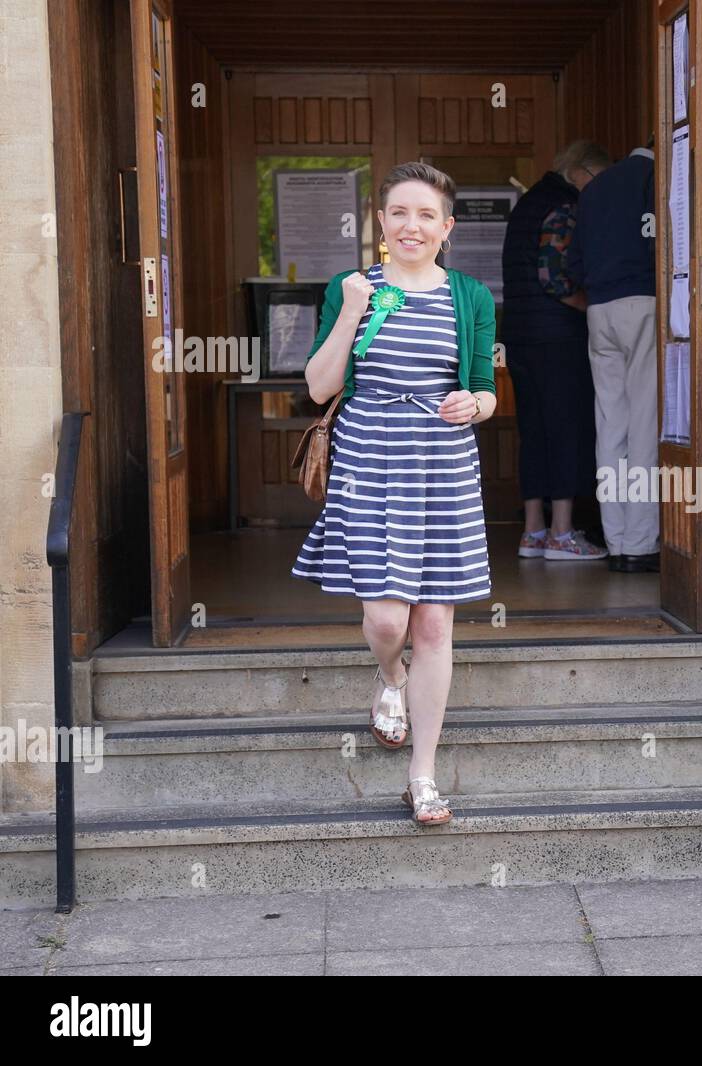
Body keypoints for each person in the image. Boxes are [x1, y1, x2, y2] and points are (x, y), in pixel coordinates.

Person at [290, 161, 498, 826]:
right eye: (400, 213)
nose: (413, 225)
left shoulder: (469, 296)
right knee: (387, 621)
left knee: (434, 621)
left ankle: (424, 775)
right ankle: (392, 678)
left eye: (427, 215)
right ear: (382, 223)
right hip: (368, 459)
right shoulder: (352, 289)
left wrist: (477, 402)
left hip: (441, 463)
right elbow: (320, 387)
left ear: (447, 228)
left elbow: (486, 386)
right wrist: (351, 310)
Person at [501, 140, 612, 561]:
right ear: (580, 171)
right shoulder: (564, 205)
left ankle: (533, 531)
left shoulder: (528, 202)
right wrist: (593, 307)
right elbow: (556, 278)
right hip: (558, 338)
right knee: (565, 429)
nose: (597, 189)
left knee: (533, 432)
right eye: (597, 180)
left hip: (521, 336)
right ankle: (562, 533)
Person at [568, 135, 660, 572]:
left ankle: (617, 538)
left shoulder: (595, 188)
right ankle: (640, 546)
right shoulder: (657, 177)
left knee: (611, 425)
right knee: (645, 422)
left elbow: (573, 266)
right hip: (643, 302)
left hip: (600, 310)